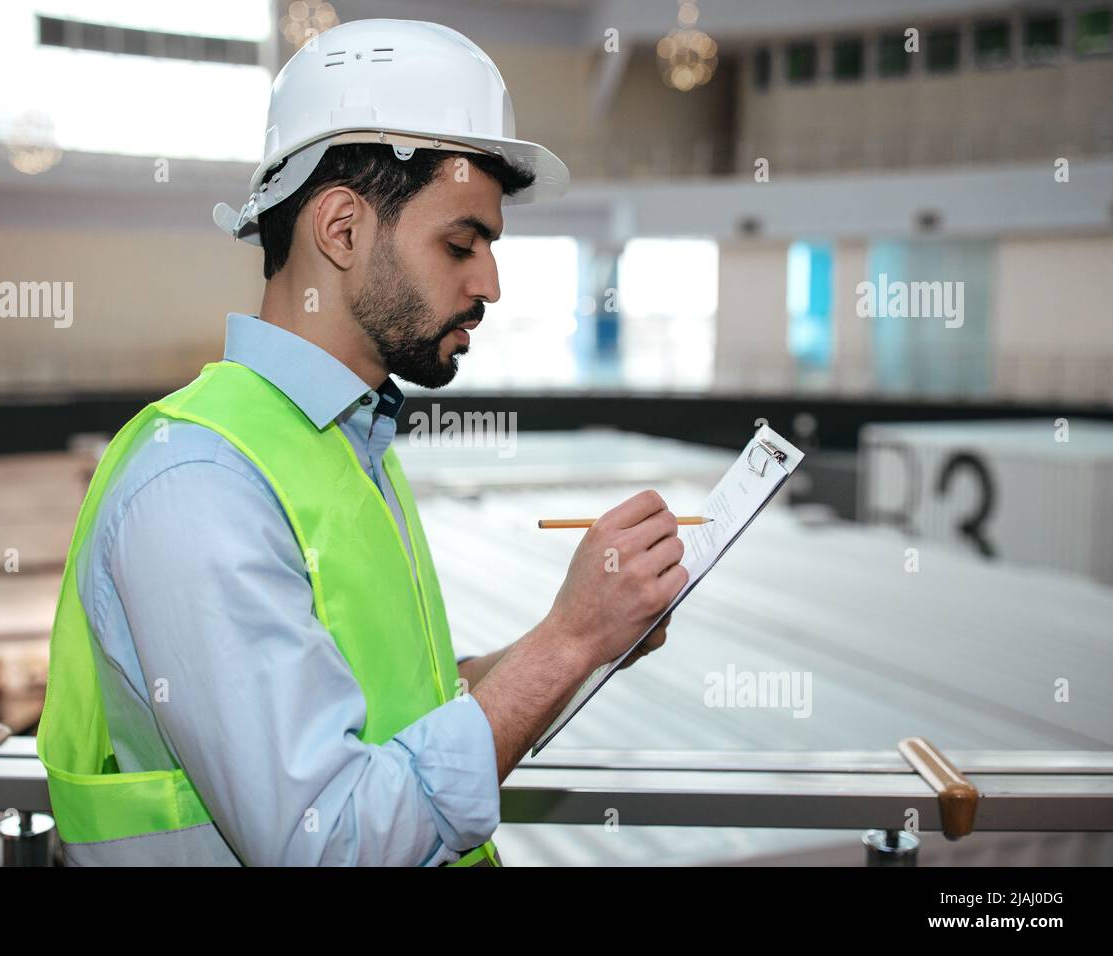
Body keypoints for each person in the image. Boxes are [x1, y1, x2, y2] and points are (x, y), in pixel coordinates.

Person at [36, 17, 686, 866]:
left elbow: (405, 711)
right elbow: (331, 839)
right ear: (341, 230)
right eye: (462, 243)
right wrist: (568, 641)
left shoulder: (348, 441)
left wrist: (589, 637)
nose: (489, 283)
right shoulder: (198, 482)